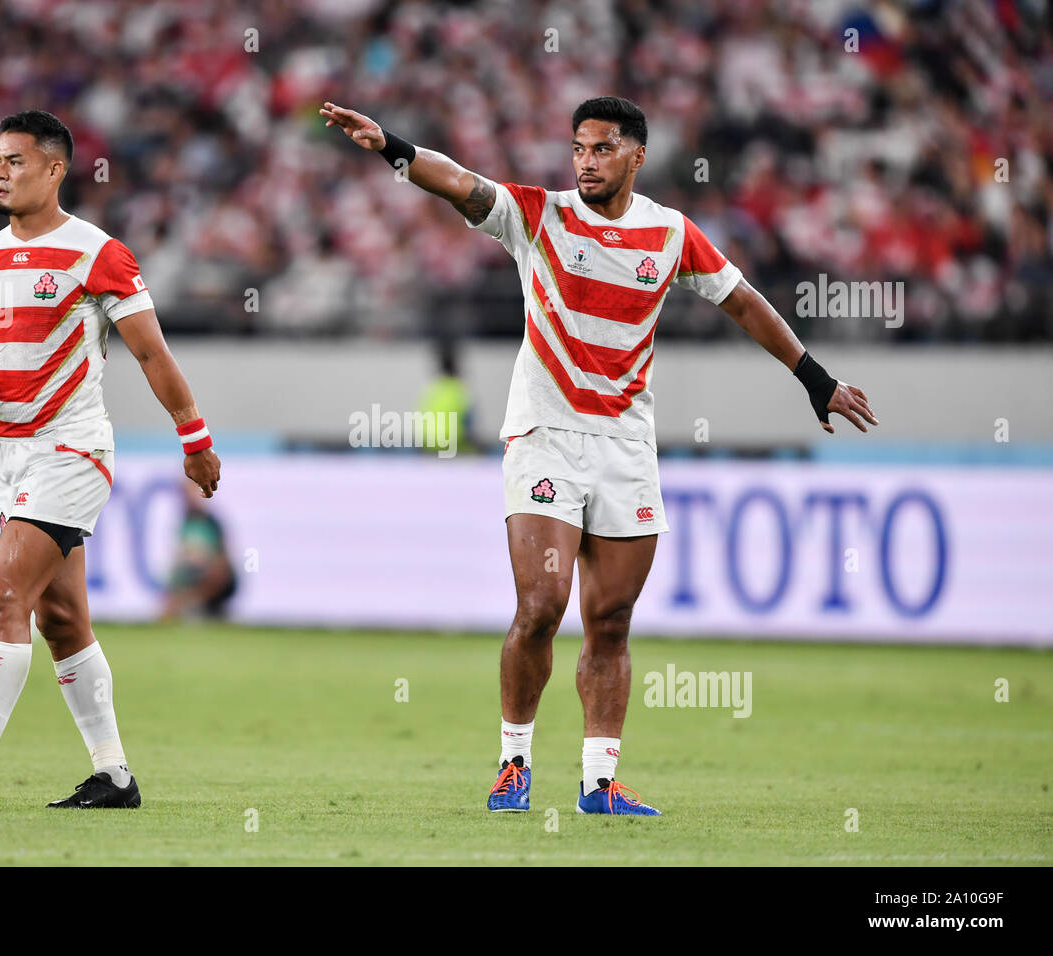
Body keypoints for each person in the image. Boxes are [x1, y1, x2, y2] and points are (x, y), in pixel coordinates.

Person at [321, 96, 877, 815]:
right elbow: (461, 182)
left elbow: (742, 302)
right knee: (542, 605)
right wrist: (393, 145)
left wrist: (815, 379)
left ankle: (598, 782)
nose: (585, 161)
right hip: (546, 436)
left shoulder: (671, 234)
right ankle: (513, 764)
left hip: (625, 445)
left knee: (610, 620)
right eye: (578, 148)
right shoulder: (539, 216)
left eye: (602, 148)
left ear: (636, 156)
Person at [0, 110, 221, 810]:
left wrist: (194, 438)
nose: (0, 171)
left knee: (1, 594)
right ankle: (114, 776)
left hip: (73, 450)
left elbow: (151, 352)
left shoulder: (97, 253)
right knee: (61, 620)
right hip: (10, 457)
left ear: (55, 170)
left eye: (15, 160)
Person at [159, 482, 238, 622]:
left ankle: (194, 605)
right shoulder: (185, 522)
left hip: (210, 575)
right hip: (192, 574)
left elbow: (222, 559)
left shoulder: (212, 522)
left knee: (215, 574)